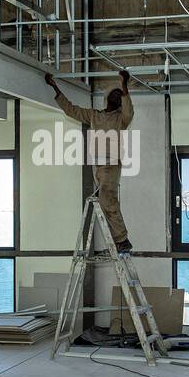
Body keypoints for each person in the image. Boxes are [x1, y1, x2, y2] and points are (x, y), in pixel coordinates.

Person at [45, 69, 135, 252]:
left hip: (111, 165)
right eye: (116, 93)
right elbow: (72, 110)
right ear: (108, 98)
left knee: (107, 200)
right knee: (104, 200)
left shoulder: (121, 119)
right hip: (98, 166)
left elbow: (129, 112)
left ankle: (122, 239)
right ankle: (118, 241)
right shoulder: (95, 115)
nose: (119, 97)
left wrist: (124, 84)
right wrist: (55, 87)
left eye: (121, 95)